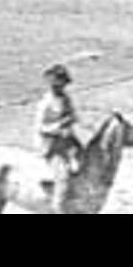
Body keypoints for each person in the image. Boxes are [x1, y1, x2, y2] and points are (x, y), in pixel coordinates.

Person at [36, 64, 82, 211]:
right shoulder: (45, 103)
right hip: (50, 144)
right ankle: (58, 207)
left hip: (68, 141)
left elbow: (73, 116)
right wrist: (59, 126)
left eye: (63, 85)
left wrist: (72, 120)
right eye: (58, 85)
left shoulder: (66, 98)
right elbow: (41, 128)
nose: (61, 88)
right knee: (62, 175)